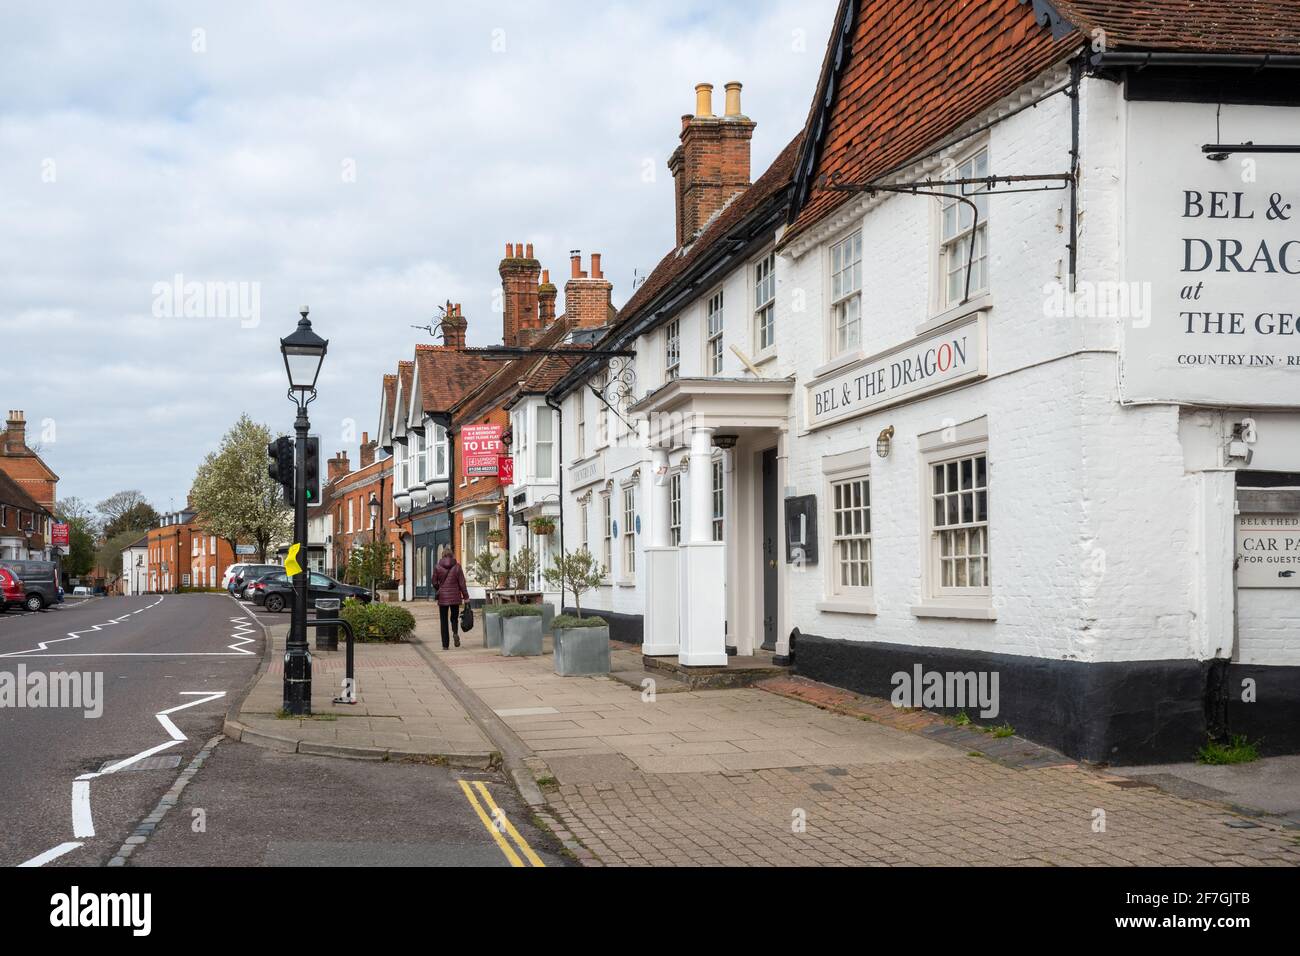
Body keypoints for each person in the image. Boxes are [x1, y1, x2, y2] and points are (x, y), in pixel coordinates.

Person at [432, 546, 469, 649]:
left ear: (442, 555)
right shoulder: (457, 567)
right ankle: (455, 633)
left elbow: (434, 582)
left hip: (443, 597)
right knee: (454, 618)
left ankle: (445, 645)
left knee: (443, 621)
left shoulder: (437, 567)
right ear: (452, 555)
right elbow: (462, 583)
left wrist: (439, 588)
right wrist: (466, 597)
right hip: (455, 597)